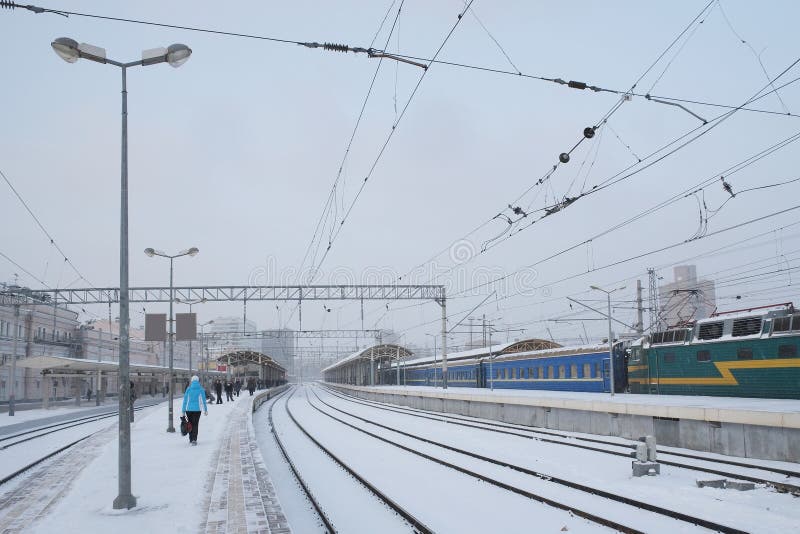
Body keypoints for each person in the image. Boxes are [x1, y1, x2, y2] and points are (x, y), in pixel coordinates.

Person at [181, 375, 208, 446]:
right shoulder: (201, 389)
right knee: (195, 424)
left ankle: (190, 439)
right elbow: (203, 401)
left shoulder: (188, 389)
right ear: (198, 381)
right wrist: (205, 410)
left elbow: (185, 401)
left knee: (190, 423)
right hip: (197, 410)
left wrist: (183, 411)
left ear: (192, 381)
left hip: (189, 410)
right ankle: (194, 439)